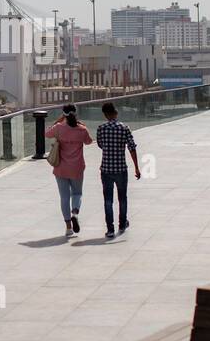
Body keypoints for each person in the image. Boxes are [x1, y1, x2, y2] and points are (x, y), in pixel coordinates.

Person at [45, 103, 93, 236]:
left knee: (64, 197)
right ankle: (75, 213)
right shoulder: (82, 129)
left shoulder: (58, 128)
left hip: (61, 168)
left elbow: (46, 134)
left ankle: (68, 227)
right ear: (75, 113)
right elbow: (89, 141)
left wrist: (57, 122)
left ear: (63, 114)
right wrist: (82, 126)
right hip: (77, 167)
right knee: (77, 193)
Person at [95, 102, 140, 239]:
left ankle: (110, 229)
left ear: (105, 114)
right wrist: (137, 167)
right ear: (116, 112)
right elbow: (132, 147)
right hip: (121, 168)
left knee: (108, 200)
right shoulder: (124, 128)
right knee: (122, 198)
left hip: (106, 169)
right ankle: (122, 224)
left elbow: (100, 145)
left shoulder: (101, 128)